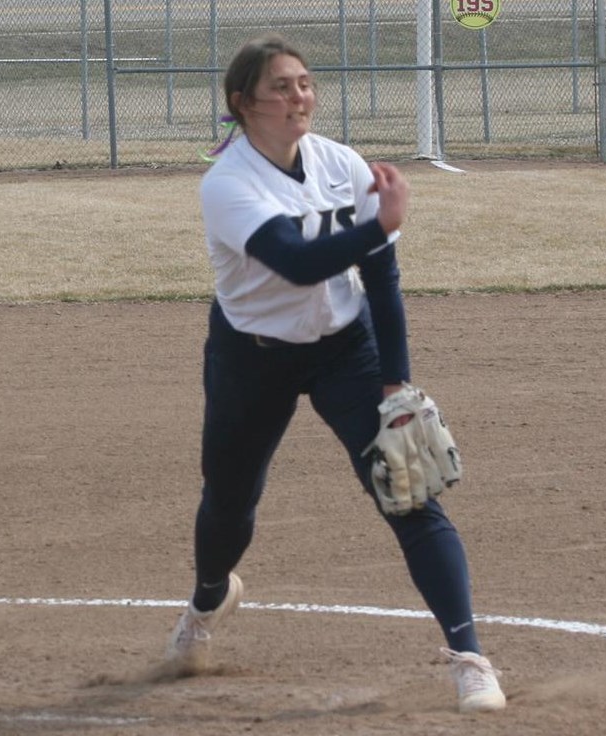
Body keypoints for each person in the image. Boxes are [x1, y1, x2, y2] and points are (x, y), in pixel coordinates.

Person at [164, 34, 506, 714]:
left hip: (347, 347)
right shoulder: (228, 182)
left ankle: (470, 658)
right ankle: (207, 603)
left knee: (408, 492)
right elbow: (294, 261)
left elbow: (380, 275)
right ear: (243, 103)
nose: (300, 97)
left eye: (306, 83)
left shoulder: (338, 164)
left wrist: (395, 382)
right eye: (282, 87)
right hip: (251, 355)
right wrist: (381, 223)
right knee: (230, 500)